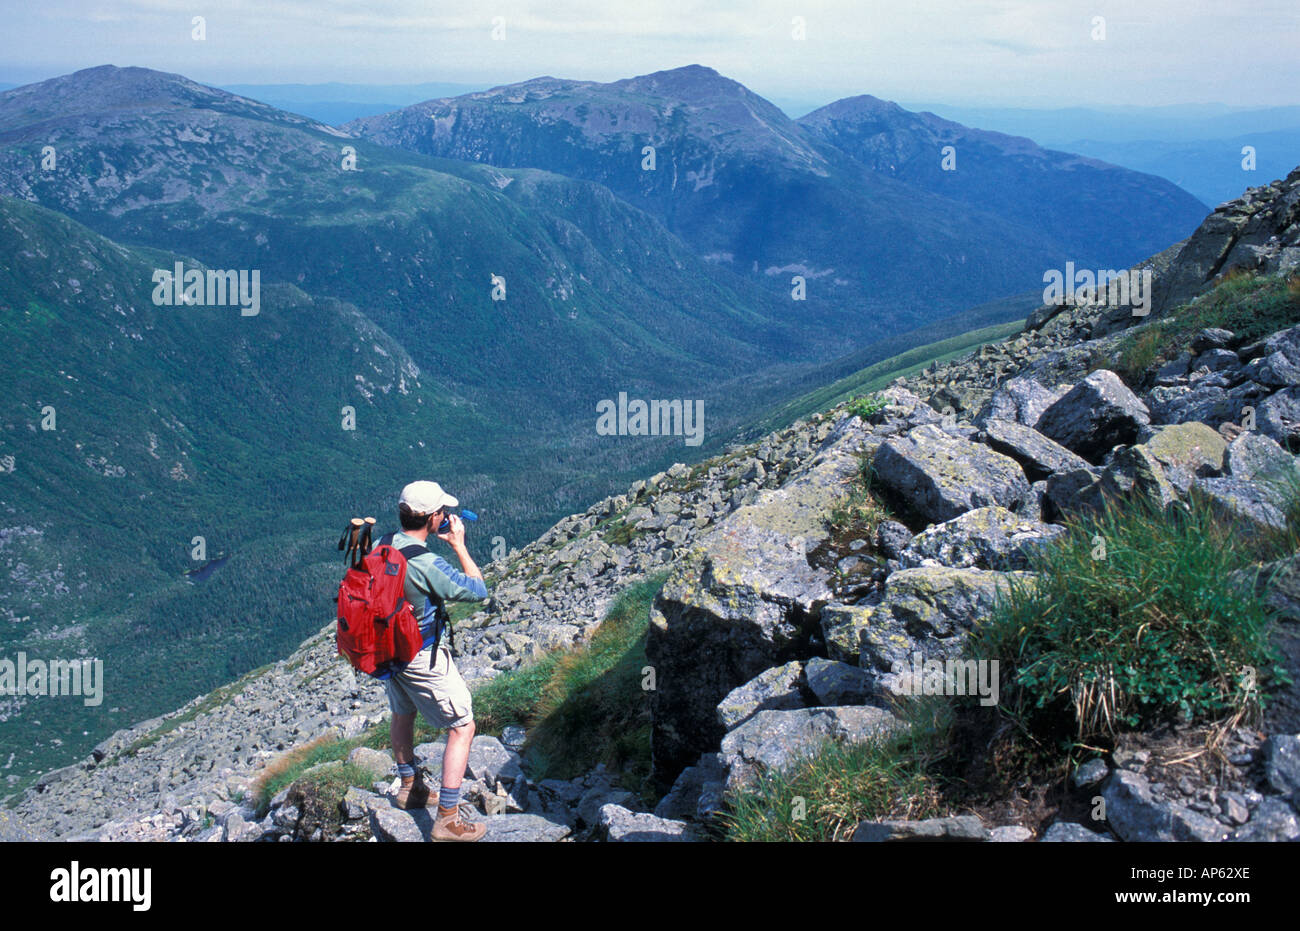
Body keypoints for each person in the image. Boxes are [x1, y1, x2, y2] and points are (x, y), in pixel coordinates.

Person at [384, 480, 489, 842]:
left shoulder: (384, 543)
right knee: (462, 724)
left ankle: (409, 786)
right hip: (418, 653)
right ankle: (446, 820)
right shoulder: (426, 562)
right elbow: (478, 590)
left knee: (403, 711)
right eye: (441, 511)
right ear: (433, 517)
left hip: (388, 651)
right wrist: (459, 546)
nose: (446, 515)